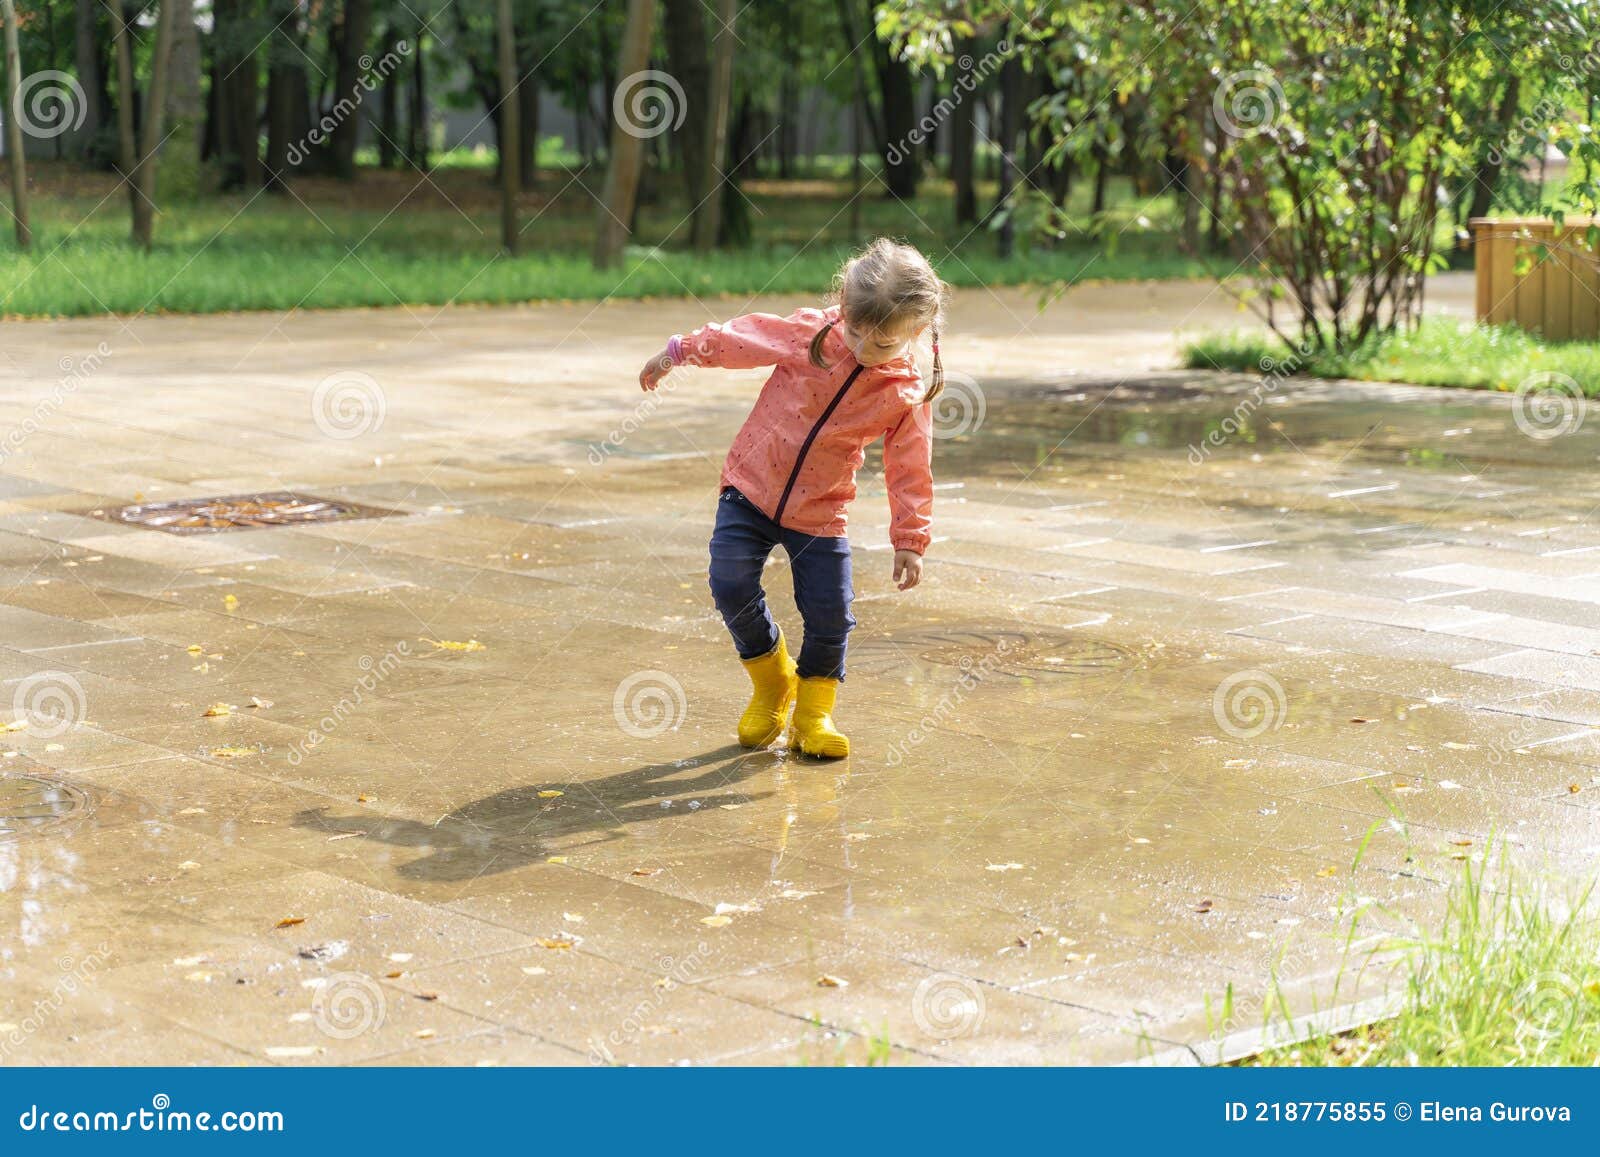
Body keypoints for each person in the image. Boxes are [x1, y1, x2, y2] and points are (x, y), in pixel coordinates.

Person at [638, 238, 947, 758]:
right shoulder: (812, 334)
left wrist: (911, 537)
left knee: (830, 613)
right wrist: (679, 353)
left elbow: (911, 466)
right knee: (729, 582)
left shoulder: (906, 390)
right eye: (854, 332)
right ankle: (772, 680)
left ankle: (812, 713)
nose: (863, 351)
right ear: (843, 304)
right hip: (750, 486)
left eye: (882, 345)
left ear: (915, 332)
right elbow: (742, 340)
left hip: (821, 510)